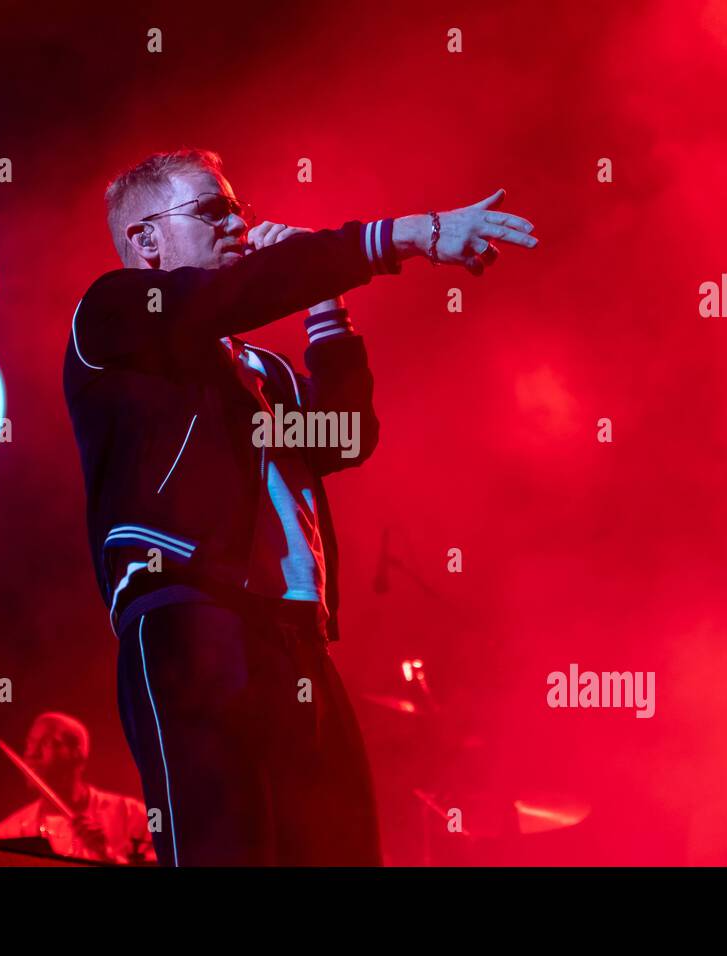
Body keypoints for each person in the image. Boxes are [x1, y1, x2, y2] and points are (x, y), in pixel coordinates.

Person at [63, 148, 537, 865]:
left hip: (293, 636)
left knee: (336, 845)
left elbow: (345, 437)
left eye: (238, 209)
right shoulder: (114, 313)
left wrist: (324, 308)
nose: (238, 225)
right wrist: (407, 234)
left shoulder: (262, 369)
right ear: (147, 240)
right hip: (188, 615)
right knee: (225, 848)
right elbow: (225, 299)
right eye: (213, 210)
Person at [0, 711, 155, 863]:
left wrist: (108, 857)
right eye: (30, 744)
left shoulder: (133, 817)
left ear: (77, 752)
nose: (31, 753)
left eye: (45, 743)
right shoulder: (8, 833)